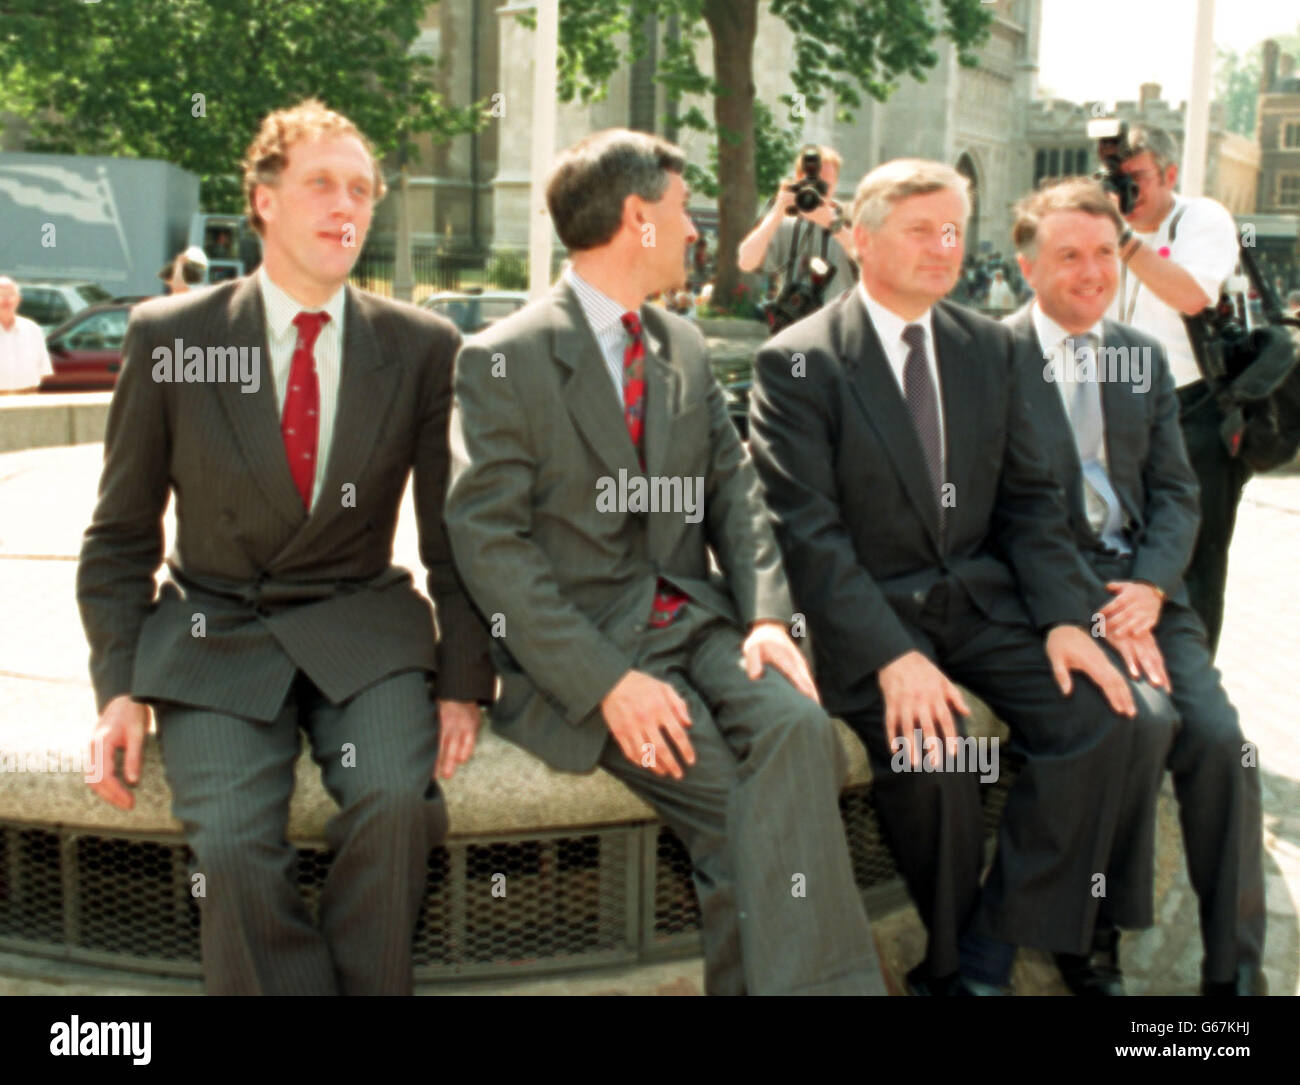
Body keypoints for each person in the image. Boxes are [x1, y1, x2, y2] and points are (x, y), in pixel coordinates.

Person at [445, 128, 884, 995]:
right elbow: (490, 546)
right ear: (637, 217)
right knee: (739, 817)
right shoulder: (504, 357)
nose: (693, 232)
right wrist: (606, 681)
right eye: (683, 211)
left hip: (699, 619)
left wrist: (765, 614)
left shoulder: (681, 345)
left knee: (803, 731)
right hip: (590, 652)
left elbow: (736, 490)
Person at [76, 99, 494, 995]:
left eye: (361, 190)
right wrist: (117, 687)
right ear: (263, 200)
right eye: (320, 184)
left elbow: (453, 533)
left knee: (395, 803)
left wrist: (464, 677)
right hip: (213, 633)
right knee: (228, 842)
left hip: (361, 626)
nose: (346, 206)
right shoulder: (174, 337)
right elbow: (119, 535)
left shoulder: (421, 345)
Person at [748, 158, 1175, 996]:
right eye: (921, 229)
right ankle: (950, 970)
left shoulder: (989, 348)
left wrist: (1063, 617)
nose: (945, 246)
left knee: (1122, 715)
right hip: (869, 614)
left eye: (954, 228)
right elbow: (807, 533)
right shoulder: (797, 362)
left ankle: (991, 939)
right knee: (940, 761)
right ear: (860, 239)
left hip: (984, 604)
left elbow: (1029, 503)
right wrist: (888, 657)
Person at [1007, 177, 1266, 997]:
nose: (1092, 273)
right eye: (1068, 255)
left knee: (1223, 743)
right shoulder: (990, 360)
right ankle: (1093, 937)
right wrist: (1091, 609)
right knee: (1136, 724)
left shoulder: (1141, 356)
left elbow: (1179, 493)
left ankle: (1235, 969)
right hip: (1055, 600)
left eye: (1105, 253)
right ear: (1026, 265)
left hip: (1149, 596)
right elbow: (1002, 515)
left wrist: (1152, 589)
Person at [1106, 124, 1243, 653]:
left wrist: (1123, 240)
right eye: (1116, 180)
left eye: (1135, 179)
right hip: (1122, 413)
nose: (1125, 193)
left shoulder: (1201, 218)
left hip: (1195, 413)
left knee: (1194, 561)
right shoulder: (1112, 231)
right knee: (1127, 553)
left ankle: (1193, 691)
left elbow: (1192, 295)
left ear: (1169, 174)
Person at [736, 145, 857, 322]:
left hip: (839, 331)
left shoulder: (850, 218)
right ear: (798, 180)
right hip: (794, 330)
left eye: (825, 184)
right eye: (813, 183)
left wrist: (833, 224)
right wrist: (777, 211)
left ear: (836, 184)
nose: (819, 190)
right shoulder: (785, 223)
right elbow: (746, 262)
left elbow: (871, 261)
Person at [0, 276, 54, 393]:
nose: (6, 300)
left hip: (27, 396)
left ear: (18, 299)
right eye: (1, 294)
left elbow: (43, 368)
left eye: (10, 295)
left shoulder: (32, 329)